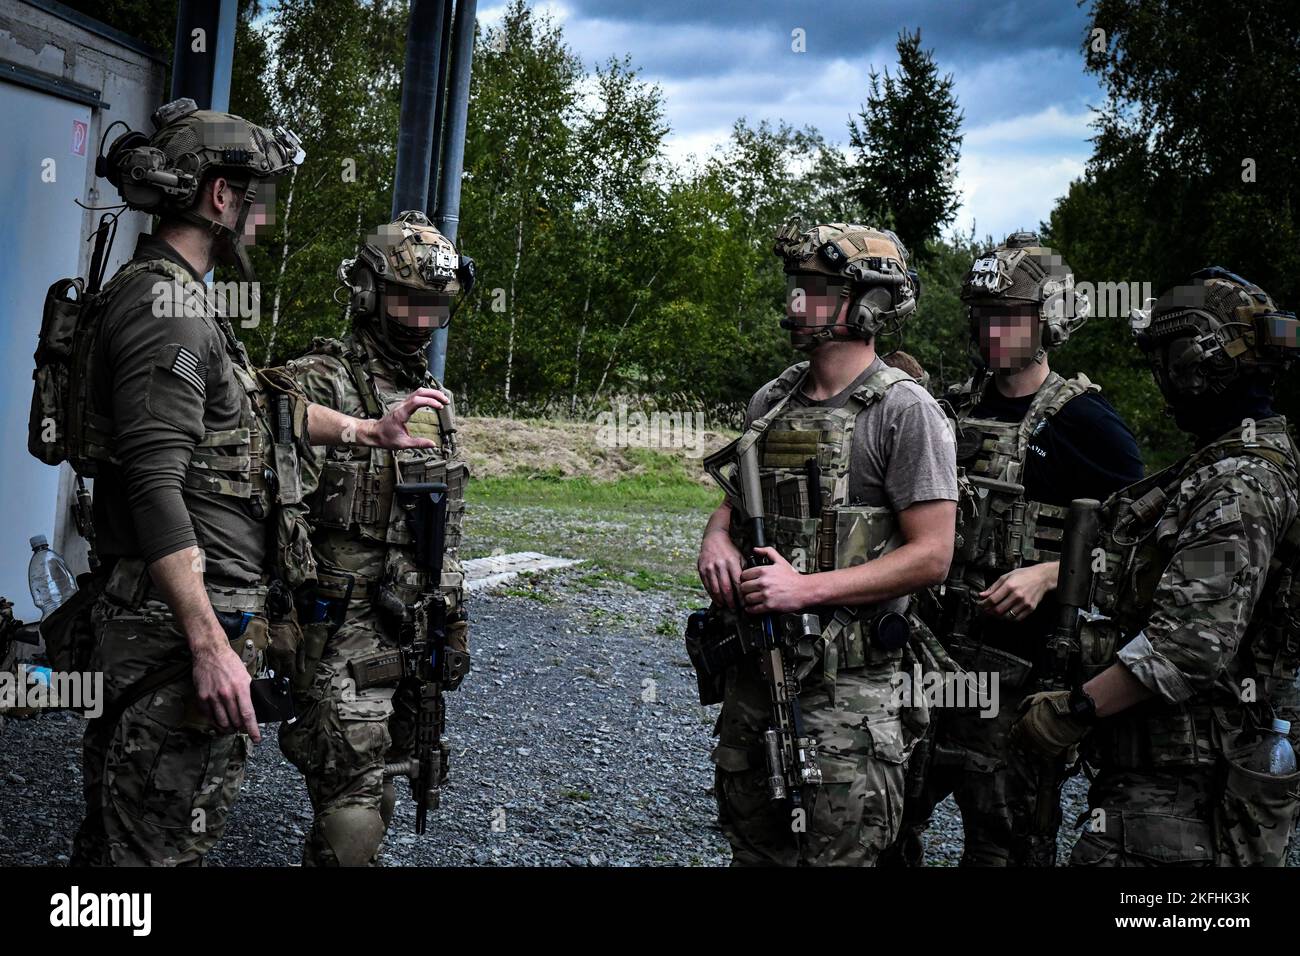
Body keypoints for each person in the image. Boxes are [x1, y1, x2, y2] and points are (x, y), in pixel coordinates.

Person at [52, 98, 445, 866]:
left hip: (172, 627)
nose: (262, 216)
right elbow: (154, 485)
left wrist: (366, 430)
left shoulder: (179, 298)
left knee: (119, 846)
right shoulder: (169, 314)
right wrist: (208, 645)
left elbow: (255, 409)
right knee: (156, 854)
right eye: (257, 195)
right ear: (220, 196)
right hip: (173, 638)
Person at [1014, 267, 1300, 867]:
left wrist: (1074, 712)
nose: (1165, 377)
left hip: (1181, 796)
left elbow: (1187, 647)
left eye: (1169, 358)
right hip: (1161, 782)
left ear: (1202, 361)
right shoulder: (1218, 465)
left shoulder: (1240, 482)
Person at [696, 220, 957, 866]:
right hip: (760, 679)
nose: (795, 302)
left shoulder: (904, 411)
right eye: (797, 286)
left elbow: (933, 554)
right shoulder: (774, 399)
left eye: (814, 289)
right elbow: (737, 504)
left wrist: (803, 589)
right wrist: (715, 540)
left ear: (866, 305)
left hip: (849, 696)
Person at [886, 232, 1143, 866]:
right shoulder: (947, 410)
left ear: (1048, 321)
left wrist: (1053, 574)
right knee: (888, 822)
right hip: (929, 653)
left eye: (1010, 316)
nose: (993, 330)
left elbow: (1141, 553)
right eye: (984, 316)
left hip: (1017, 673)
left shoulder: (1090, 426)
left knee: (1005, 844)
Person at [279, 212, 475, 865]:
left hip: (412, 627)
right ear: (366, 293)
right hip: (343, 626)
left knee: (390, 785)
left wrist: (453, 620)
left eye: (434, 308)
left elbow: (444, 531)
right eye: (407, 303)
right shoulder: (320, 380)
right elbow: (271, 497)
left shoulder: (431, 399)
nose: (420, 324)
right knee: (353, 804)